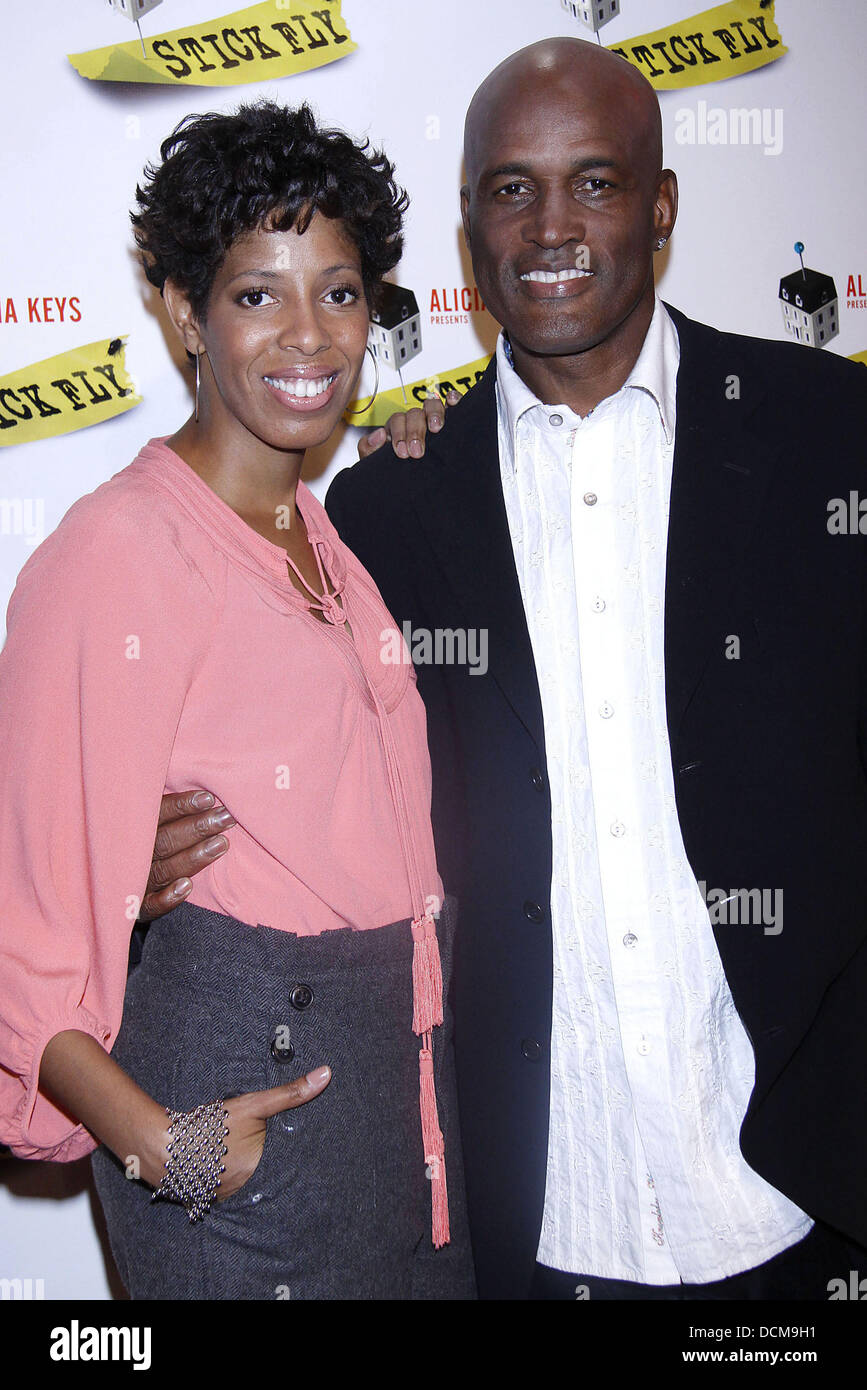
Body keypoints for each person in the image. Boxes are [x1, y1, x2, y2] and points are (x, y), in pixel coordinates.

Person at [147, 38, 867, 1300]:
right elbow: (313, 808)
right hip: (532, 1226)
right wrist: (143, 861)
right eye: (510, 188)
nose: (552, 225)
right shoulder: (384, 515)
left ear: (661, 206)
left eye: (594, 182)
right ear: (469, 224)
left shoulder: (830, 436)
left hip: (808, 1204)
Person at [0, 100, 475, 1301]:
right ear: (183, 315)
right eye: (258, 294)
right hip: (243, 1128)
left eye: (342, 291)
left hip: (401, 1117)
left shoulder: (327, 536)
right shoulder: (116, 551)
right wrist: (179, 1152)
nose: (308, 335)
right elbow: (25, 939)